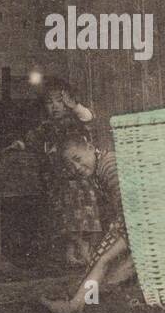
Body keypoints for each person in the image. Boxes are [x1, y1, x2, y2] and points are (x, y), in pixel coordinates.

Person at [39, 138, 136, 313]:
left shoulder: (108, 165)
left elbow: (127, 208)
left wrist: (113, 235)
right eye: (70, 165)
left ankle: (76, 308)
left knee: (102, 260)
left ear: (90, 148)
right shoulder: (98, 169)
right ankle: (81, 304)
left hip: (136, 223)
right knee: (100, 260)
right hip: (131, 222)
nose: (76, 167)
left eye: (78, 158)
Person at [7, 77, 101, 267]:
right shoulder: (46, 127)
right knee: (65, 213)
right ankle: (73, 248)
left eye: (60, 101)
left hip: (79, 178)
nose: (55, 106)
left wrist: (74, 106)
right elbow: (32, 139)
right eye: (50, 103)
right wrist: (22, 144)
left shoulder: (75, 120)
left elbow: (88, 117)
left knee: (83, 207)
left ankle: (83, 246)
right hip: (58, 180)